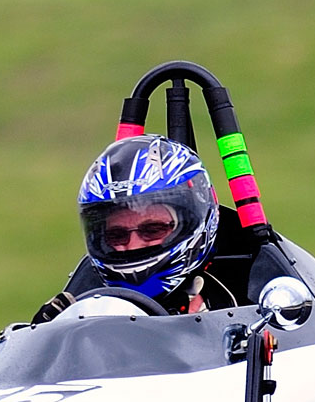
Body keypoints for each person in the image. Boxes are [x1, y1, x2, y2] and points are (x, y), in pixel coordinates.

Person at [31, 134, 226, 321]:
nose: (133, 245)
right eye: (116, 235)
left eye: (153, 230)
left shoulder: (244, 301)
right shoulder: (79, 311)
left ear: (191, 222)